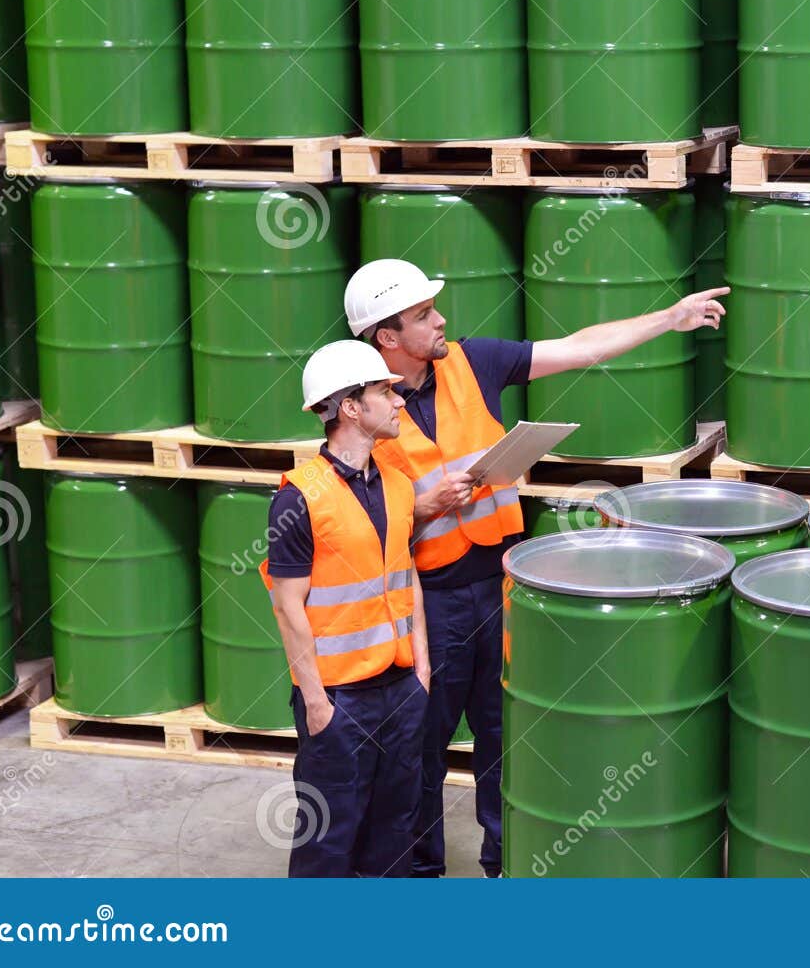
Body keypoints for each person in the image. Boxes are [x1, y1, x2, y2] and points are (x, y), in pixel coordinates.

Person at [343, 258, 727, 878]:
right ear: (388, 338)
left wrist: (670, 318)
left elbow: (577, 348)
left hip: (499, 586)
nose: (441, 320)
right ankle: (419, 872)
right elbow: (344, 512)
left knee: (506, 734)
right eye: (423, 315)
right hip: (424, 599)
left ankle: (509, 862)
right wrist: (416, 506)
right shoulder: (360, 402)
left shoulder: (474, 361)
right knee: (419, 746)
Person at [260, 339, 431, 878]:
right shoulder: (299, 497)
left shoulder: (399, 485)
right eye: (386, 392)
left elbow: (409, 579)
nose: (400, 401)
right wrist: (315, 702)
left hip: (401, 687)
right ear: (351, 408)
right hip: (338, 700)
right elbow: (289, 609)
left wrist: (422, 670)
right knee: (328, 840)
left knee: (395, 830)